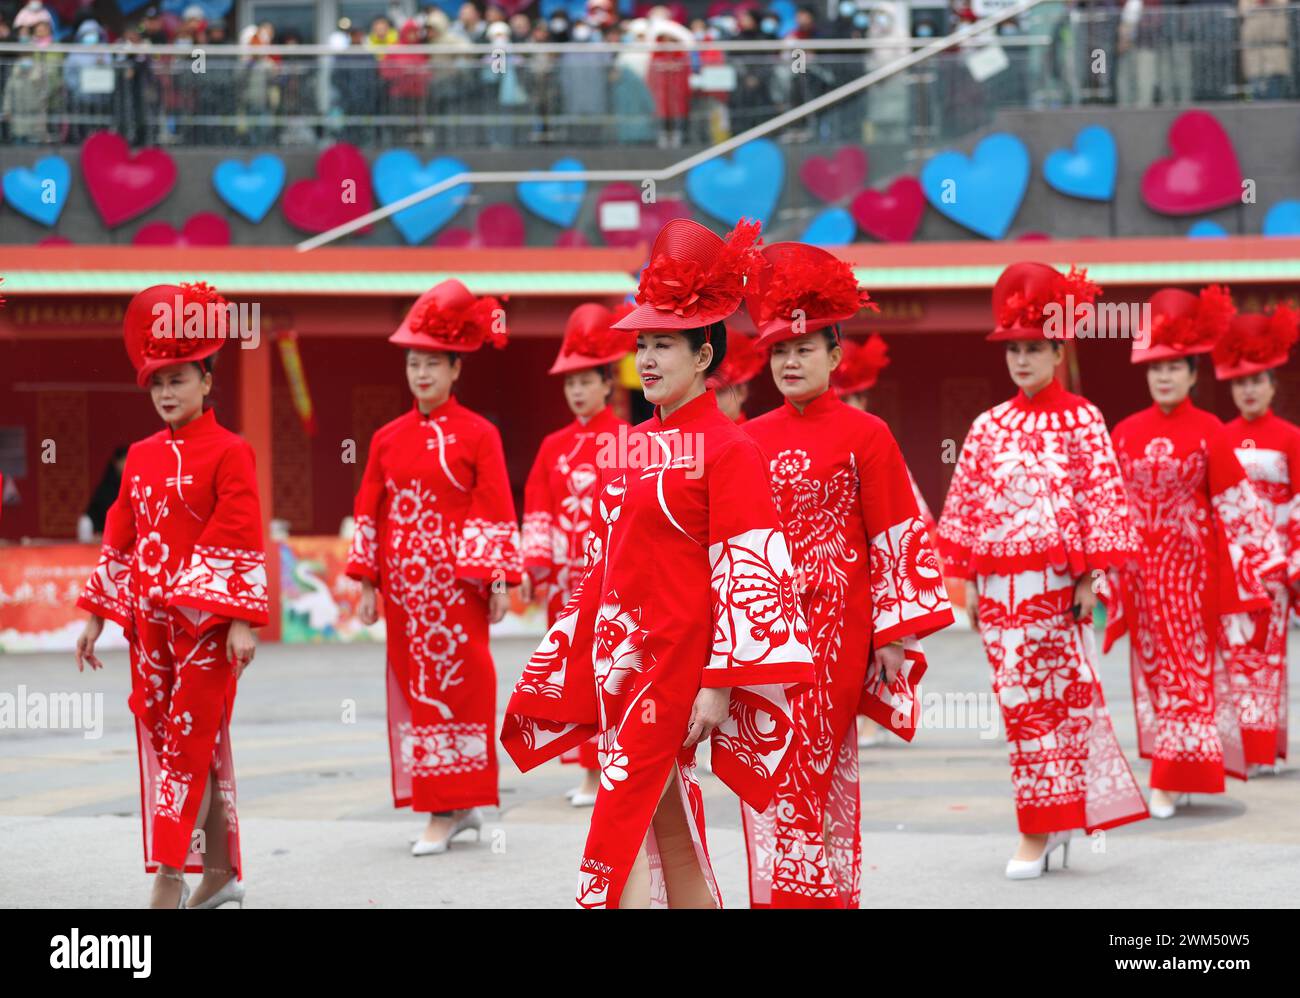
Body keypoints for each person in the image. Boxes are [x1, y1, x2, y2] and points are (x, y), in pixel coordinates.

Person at [502, 219, 815, 908]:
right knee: (663, 817)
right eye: (641, 344)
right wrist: (568, 657)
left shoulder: (730, 449)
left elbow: (748, 579)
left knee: (619, 816)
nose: (645, 360)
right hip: (621, 666)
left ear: (705, 356)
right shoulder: (632, 444)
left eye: (663, 345)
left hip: (675, 671)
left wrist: (721, 683)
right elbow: (603, 565)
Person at [740, 241, 953, 907]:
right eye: (778, 350)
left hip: (836, 627)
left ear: (835, 356)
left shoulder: (868, 436)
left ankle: (814, 896)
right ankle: (783, 891)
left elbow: (896, 535)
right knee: (765, 757)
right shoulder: (747, 438)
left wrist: (894, 636)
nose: (790, 361)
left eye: (804, 348)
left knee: (813, 756)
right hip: (762, 628)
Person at [938, 263, 1150, 878]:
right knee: (1018, 705)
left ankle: (1050, 825)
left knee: (1065, 702)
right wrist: (967, 584)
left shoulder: (1084, 420)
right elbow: (965, 513)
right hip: (1001, 595)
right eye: (1014, 350)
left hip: (1060, 590)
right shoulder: (987, 427)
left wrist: (1091, 580)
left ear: (1059, 350)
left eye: (1035, 348)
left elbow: (1104, 503)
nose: (1023, 360)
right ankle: (1038, 824)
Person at [74, 282, 269, 908]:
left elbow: (239, 531)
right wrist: (95, 615)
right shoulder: (138, 456)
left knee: (187, 740)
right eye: (157, 382)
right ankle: (222, 876)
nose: (166, 393)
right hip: (149, 629)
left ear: (208, 381)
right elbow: (121, 535)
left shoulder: (232, 453)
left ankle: (169, 874)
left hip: (208, 630)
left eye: (179, 379)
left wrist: (240, 619)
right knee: (185, 744)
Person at [346, 280, 523, 856]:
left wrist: (496, 579)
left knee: (467, 683)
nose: (421, 373)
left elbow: (494, 504)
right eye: (413, 363)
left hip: (457, 589)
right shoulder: (386, 439)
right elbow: (369, 509)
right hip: (403, 593)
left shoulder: (481, 434)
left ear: (454, 370)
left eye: (432, 364)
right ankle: (444, 807)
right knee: (417, 686)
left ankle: (456, 807)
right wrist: (368, 582)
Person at [1106, 286, 1284, 818]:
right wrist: (1103, 571)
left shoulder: (1209, 430)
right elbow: (1112, 505)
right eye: (1155, 367)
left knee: (1189, 670)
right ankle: (1173, 764)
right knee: (1156, 672)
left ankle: (1169, 778)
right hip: (1141, 575)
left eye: (1175, 367)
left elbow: (1236, 502)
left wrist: (1264, 565)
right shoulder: (1125, 432)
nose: (1164, 376)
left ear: (1192, 374)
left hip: (1191, 574)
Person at [522, 302, 634, 806]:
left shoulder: (628, 441)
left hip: (612, 582)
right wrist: (533, 567)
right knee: (572, 675)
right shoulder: (552, 446)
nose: (577, 391)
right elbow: (539, 509)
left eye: (586, 382)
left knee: (611, 673)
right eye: (569, 384)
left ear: (607, 383)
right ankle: (587, 770)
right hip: (567, 588)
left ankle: (606, 767)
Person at [1210, 301, 1298, 772]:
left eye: (1256, 380)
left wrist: (1292, 564)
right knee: (1232, 658)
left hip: (1273, 569)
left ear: (1272, 385)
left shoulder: (1291, 437)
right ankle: (1235, 749)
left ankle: (1263, 752)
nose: (1248, 390)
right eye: (1240, 381)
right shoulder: (1218, 437)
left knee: (1266, 659)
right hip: (1229, 567)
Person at [710, 328, 765, 423]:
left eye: (720, 391)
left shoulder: (755, 436)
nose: (711, 400)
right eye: (704, 391)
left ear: (742, 391)